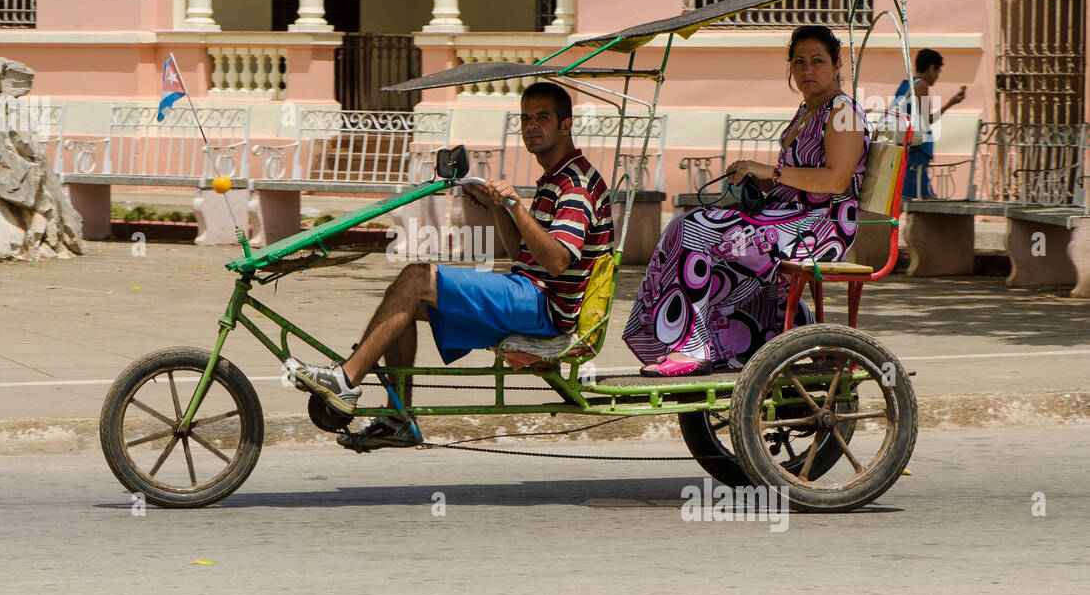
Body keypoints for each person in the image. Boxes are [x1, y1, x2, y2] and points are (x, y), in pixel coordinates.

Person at [290, 81, 614, 448]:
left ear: (566, 126)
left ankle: (345, 381)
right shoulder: (554, 178)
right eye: (525, 118)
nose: (531, 126)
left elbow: (555, 261)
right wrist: (496, 205)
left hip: (544, 307)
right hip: (528, 293)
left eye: (542, 117)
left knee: (416, 277)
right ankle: (398, 417)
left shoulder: (575, 183)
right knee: (404, 296)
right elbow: (523, 253)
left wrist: (515, 206)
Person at [622, 25, 869, 377]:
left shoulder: (842, 111)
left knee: (696, 230)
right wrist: (757, 179)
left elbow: (835, 179)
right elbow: (794, 180)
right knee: (685, 224)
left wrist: (769, 169)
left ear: (836, 64)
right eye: (799, 62)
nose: (807, 70)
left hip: (821, 226)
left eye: (817, 61)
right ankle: (746, 337)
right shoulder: (806, 112)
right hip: (789, 216)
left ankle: (693, 346)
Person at [893, 48, 967, 199]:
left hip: (905, 144)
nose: (937, 77)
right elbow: (928, 120)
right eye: (938, 71)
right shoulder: (922, 86)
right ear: (932, 67)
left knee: (916, 194)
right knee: (910, 195)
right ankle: (888, 224)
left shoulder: (906, 84)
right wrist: (950, 104)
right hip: (918, 147)